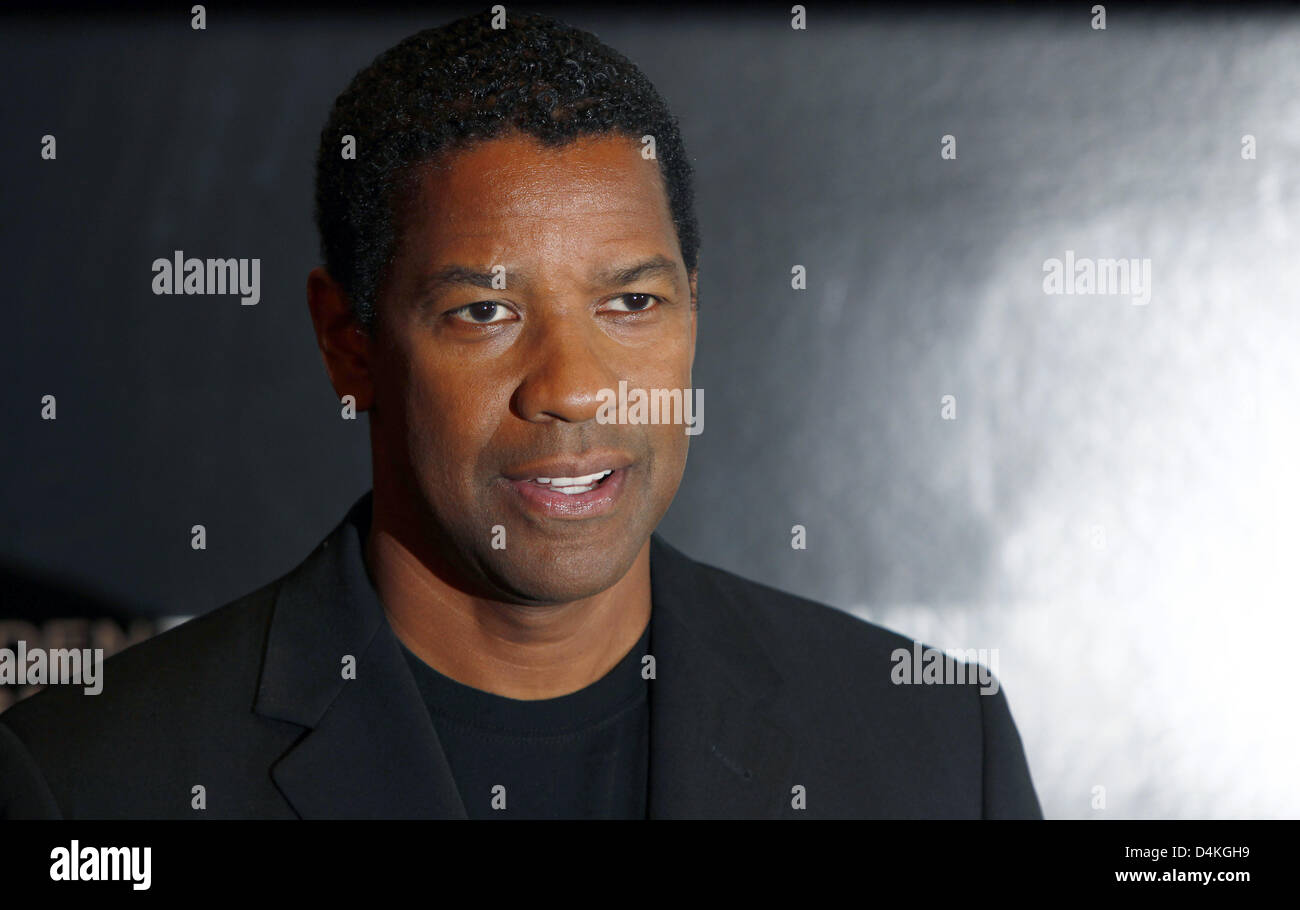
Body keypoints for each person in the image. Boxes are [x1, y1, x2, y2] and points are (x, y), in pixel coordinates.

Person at [0, 10, 1042, 819]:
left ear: (694, 310)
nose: (575, 387)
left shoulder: (934, 745)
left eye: (630, 303)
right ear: (347, 344)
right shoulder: (90, 780)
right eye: (484, 311)